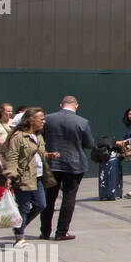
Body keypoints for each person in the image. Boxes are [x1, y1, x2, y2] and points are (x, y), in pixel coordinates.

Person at [40, 96, 94, 241]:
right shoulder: (82, 122)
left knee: (49, 198)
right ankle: (61, 231)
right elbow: (89, 144)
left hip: (52, 163)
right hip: (74, 164)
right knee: (69, 197)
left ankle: (45, 231)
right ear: (76, 106)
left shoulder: (48, 119)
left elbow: (41, 138)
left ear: (61, 105)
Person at [2, 107, 56, 250]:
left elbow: (41, 153)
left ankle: (20, 226)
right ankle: (19, 237)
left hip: (37, 176)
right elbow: (12, 157)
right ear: (31, 120)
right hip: (23, 177)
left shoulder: (38, 136)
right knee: (24, 208)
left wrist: (49, 155)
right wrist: (10, 176)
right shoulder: (18, 137)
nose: (44, 121)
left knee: (41, 205)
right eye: (41, 119)